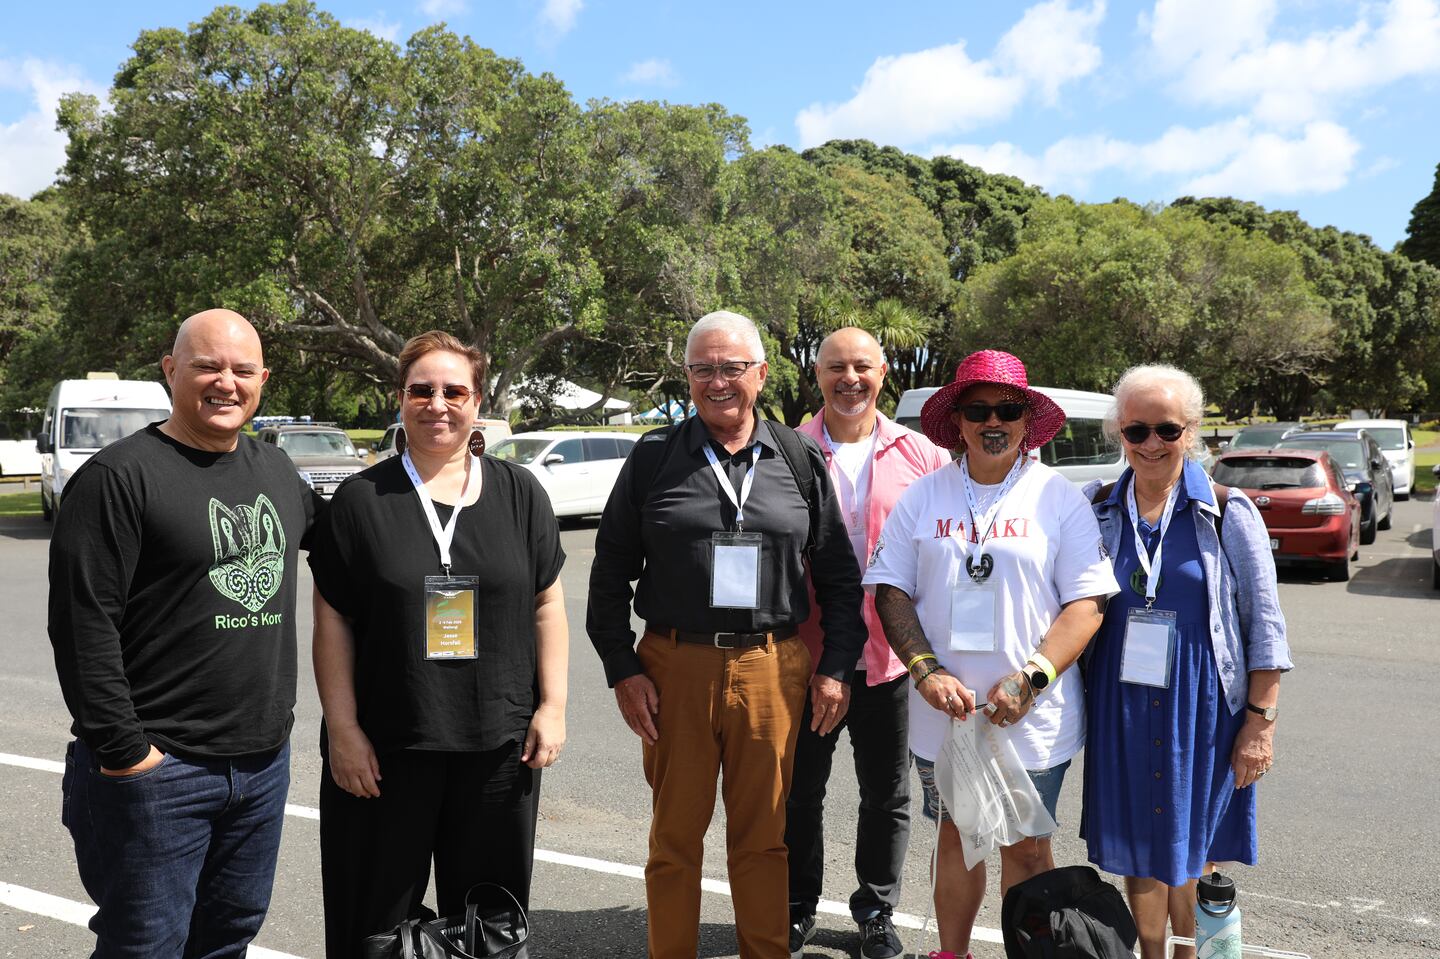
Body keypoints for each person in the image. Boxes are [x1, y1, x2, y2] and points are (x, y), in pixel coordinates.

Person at [587, 310, 867, 959]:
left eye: (733, 367)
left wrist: (837, 666)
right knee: (675, 839)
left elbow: (837, 574)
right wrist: (621, 668)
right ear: (688, 376)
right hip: (673, 666)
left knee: (764, 839)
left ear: (761, 374)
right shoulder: (655, 457)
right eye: (704, 368)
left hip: (772, 667)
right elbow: (608, 575)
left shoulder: (796, 458)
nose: (719, 381)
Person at [48, 308, 322, 958]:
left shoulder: (278, 474)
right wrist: (126, 754)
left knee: (227, 938)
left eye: (242, 369)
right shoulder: (119, 478)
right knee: (145, 947)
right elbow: (83, 626)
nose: (226, 381)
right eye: (207, 365)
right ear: (171, 370)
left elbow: (356, 547)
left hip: (260, 768)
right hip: (156, 773)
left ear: (263, 379)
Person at [309, 330, 568, 959]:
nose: (437, 404)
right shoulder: (360, 500)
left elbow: (547, 605)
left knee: (490, 926)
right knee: (372, 924)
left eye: (455, 390)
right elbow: (332, 623)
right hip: (387, 751)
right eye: (421, 390)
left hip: (498, 751)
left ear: (477, 402)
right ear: (400, 399)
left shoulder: (520, 494)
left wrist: (552, 707)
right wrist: (343, 729)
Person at [864, 350, 1118, 959]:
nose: (993, 421)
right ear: (959, 421)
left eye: (1007, 408)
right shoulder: (926, 497)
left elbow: (1087, 604)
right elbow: (891, 590)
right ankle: (952, 953)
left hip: (1031, 718)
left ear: (1028, 419)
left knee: (1026, 848)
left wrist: (1031, 678)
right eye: (978, 411)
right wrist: (923, 671)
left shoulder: (1059, 498)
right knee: (955, 837)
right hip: (942, 716)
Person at [1082, 365, 1290, 959]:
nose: (1151, 444)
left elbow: (1266, 628)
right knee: (1137, 845)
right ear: (1119, 434)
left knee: (1190, 846)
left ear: (1192, 432)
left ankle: (1188, 953)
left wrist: (1260, 723)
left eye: (1167, 430)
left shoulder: (1227, 511)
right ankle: (1153, 953)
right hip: (1120, 700)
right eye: (1136, 430)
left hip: (1201, 705)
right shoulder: (1096, 507)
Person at [786, 328, 948, 959]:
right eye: (835, 368)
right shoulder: (787, 450)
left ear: (884, 373)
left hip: (891, 659)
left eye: (862, 367)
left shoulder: (923, 455)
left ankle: (875, 911)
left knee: (888, 794)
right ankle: (797, 907)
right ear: (816, 375)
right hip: (805, 655)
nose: (849, 379)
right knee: (800, 793)